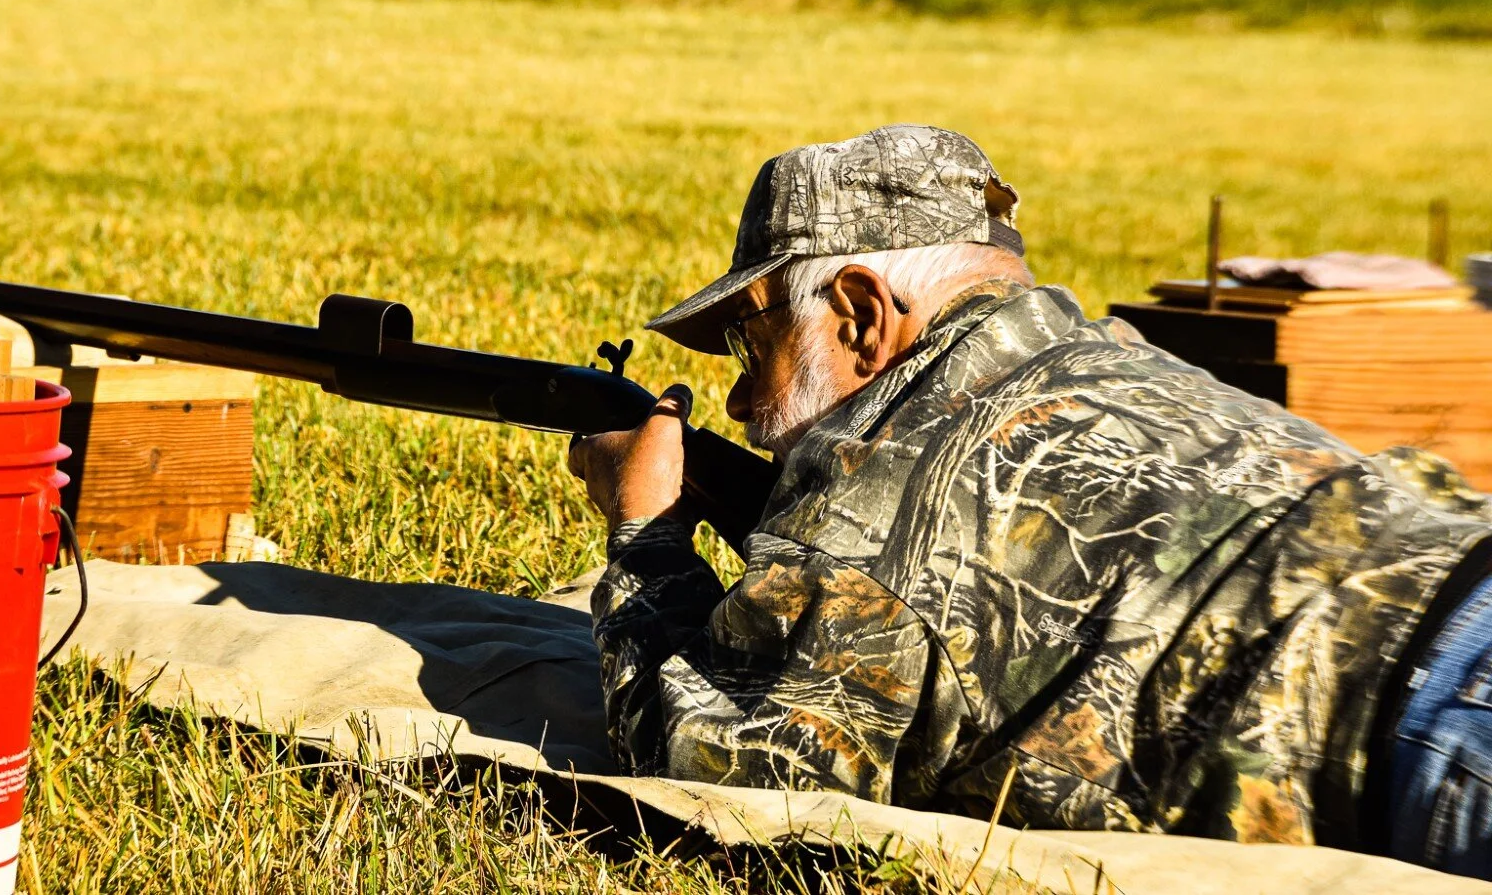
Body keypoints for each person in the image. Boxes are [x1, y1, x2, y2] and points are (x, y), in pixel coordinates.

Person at [566, 124, 1492, 875]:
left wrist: (645, 534)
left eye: (750, 338)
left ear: (859, 311)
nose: (736, 398)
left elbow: (710, 768)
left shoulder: (877, 489)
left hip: (1434, 729)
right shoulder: (1116, 354)